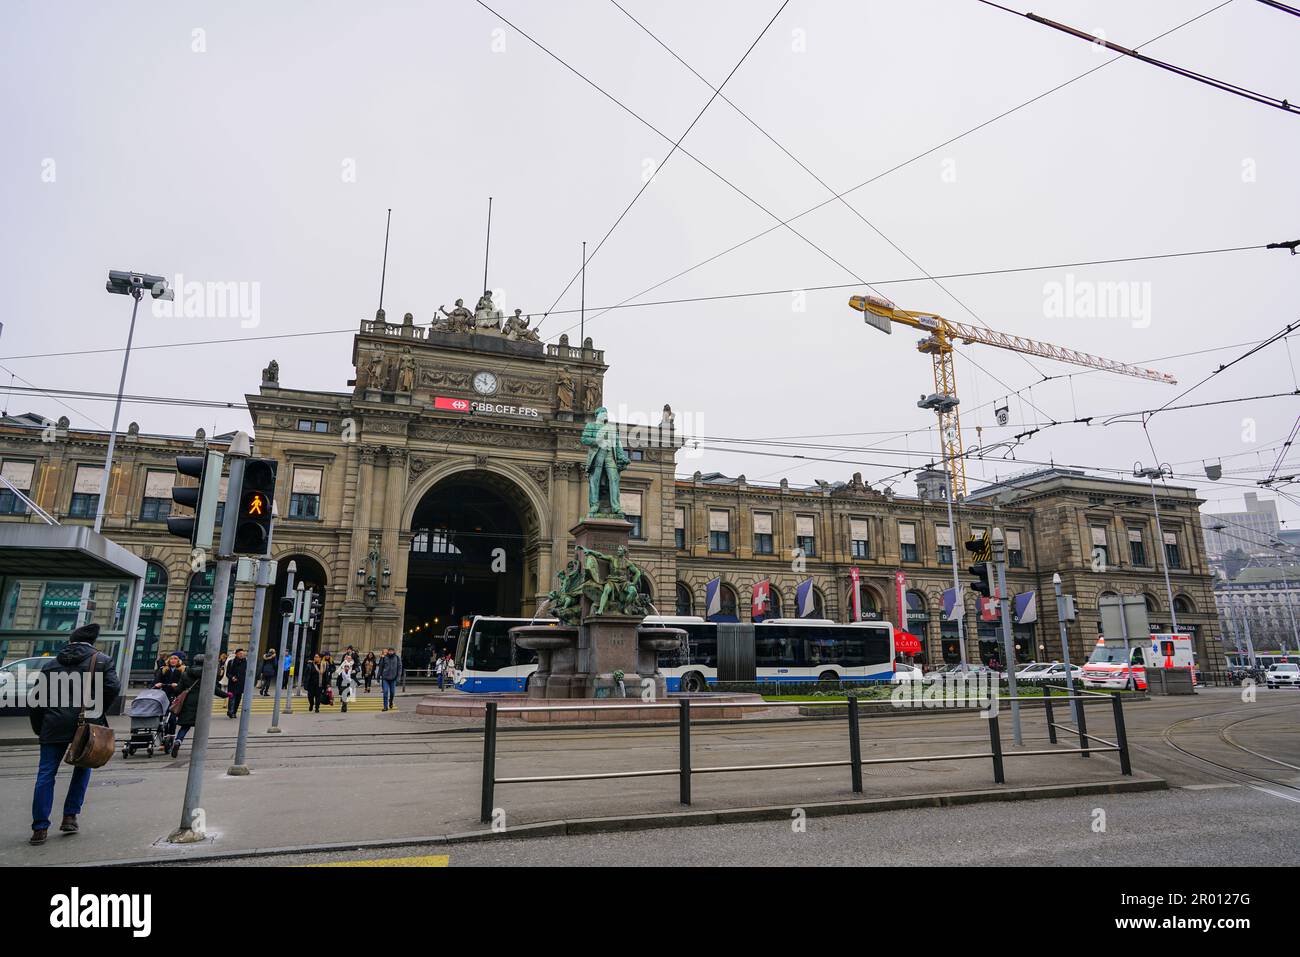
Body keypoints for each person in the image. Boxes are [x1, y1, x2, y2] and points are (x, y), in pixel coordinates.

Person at [27, 623, 120, 846]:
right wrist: (96, 711)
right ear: (93, 642)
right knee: (83, 768)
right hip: (86, 724)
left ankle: (39, 827)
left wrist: (41, 726)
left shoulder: (51, 664)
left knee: (46, 774)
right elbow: (113, 689)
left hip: (53, 724)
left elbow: (36, 700)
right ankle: (70, 816)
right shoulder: (101, 661)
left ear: (70, 640)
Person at [171, 654, 207, 757]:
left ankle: (178, 740)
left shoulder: (186, 673)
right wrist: (226, 695)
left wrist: (173, 692)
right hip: (202, 702)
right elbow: (214, 689)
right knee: (202, 727)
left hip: (187, 702)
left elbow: (178, 690)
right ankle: (198, 748)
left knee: (185, 726)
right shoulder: (207, 674)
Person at [154, 653, 186, 737]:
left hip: (176, 695)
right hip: (164, 693)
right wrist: (157, 684)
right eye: (171, 659)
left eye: (175, 659)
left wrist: (178, 685)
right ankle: (161, 735)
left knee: (172, 716)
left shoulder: (183, 670)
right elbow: (156, 680)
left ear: (179, 661)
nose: (173, 661)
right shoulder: (163, 669)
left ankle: (170, 735)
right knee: (161, 716)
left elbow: (185, 683)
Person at [378, 647, 403, 712]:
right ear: (388, 651)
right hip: (385, 678)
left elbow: (400, 668)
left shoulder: (397, 658)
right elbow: (381, 667)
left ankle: (391, 701)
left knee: (392, 692)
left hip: (393, 678)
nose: (391, 652)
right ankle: (385, 707)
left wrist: (398, 677)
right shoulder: (384, 658)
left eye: (392, 651)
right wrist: (378, 676)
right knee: (385, 692)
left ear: (394, 651)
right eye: (390, 651)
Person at [225, 648, 248, 718]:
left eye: (243, 654)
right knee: (232, 698)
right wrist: (232, 677)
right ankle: (230, 711)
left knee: (238, 699)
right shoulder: (231, 662)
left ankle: (234, 712)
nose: (242, 655)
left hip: (241, 684)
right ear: (236, 654)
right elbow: (227, 673)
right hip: (233, 683)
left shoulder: (245, 662)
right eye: (240, 654)